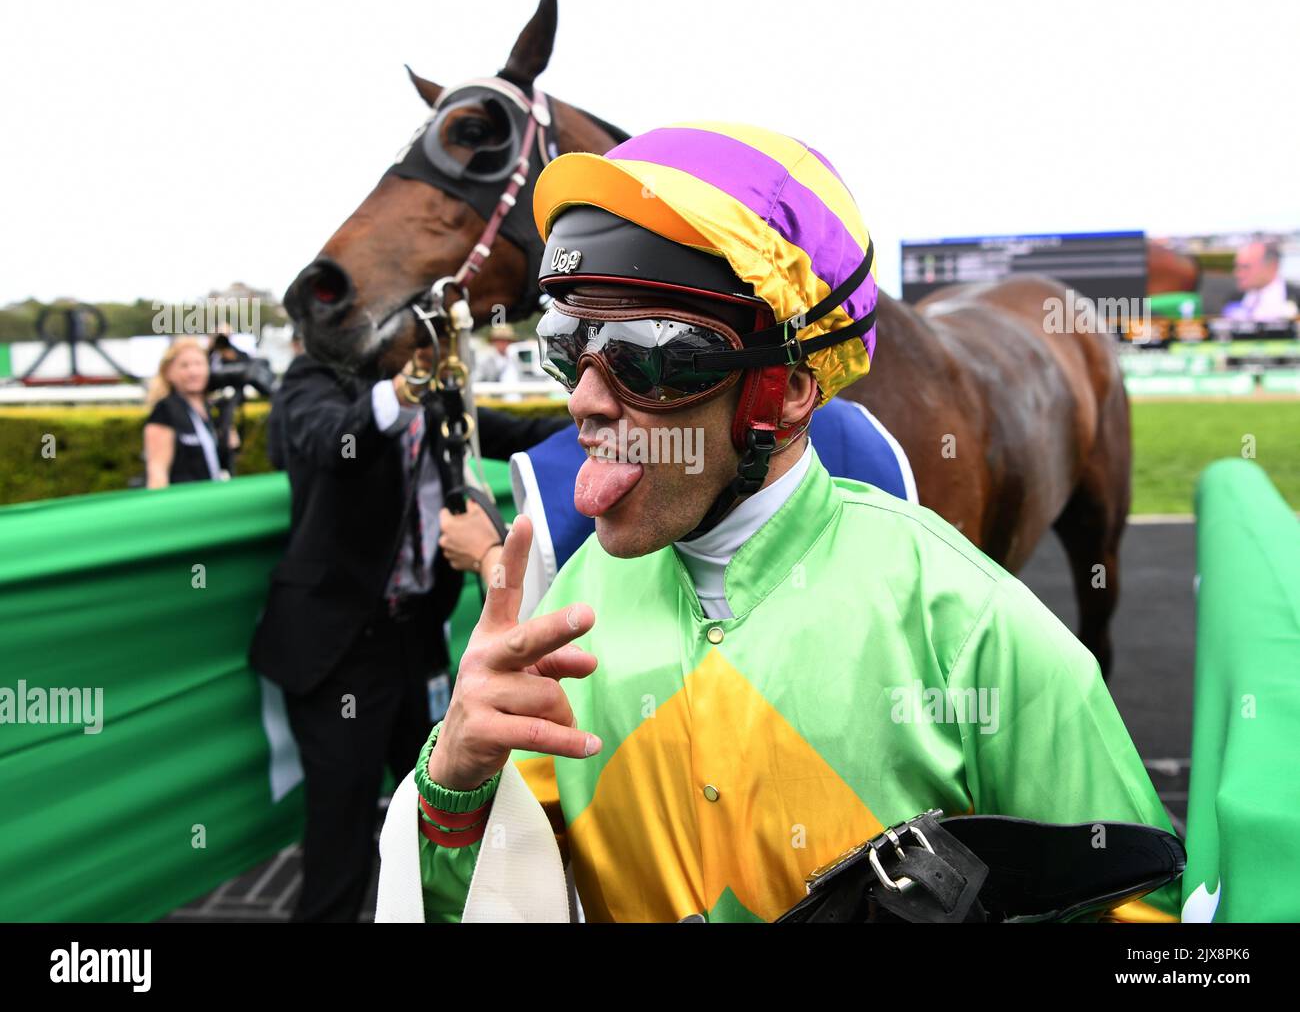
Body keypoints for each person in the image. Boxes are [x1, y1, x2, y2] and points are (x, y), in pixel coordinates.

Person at [396, 122, 1182, 923]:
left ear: (790, 388)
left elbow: (1145, 914)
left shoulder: (979, 626)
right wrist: (454, 786)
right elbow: (493, 899)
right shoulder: (566, 611)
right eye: (568, 345)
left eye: (646, 352)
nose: (584, 400)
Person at [248, 340, 566, 922]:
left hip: (417, 642)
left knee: (439, 808)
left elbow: (505, 431)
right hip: (338, 649)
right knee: (339, 836)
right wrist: (403, 388)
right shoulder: (319, 375)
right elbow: (327, 439)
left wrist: (610, 416)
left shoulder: (441, 393)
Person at [142, 337, 230, 488]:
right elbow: (157, 471)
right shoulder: (165, 410)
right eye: (184, 366)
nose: (193, 371)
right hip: (183, 503)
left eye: (199, 364)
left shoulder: (208, 409)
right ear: (168, 372)